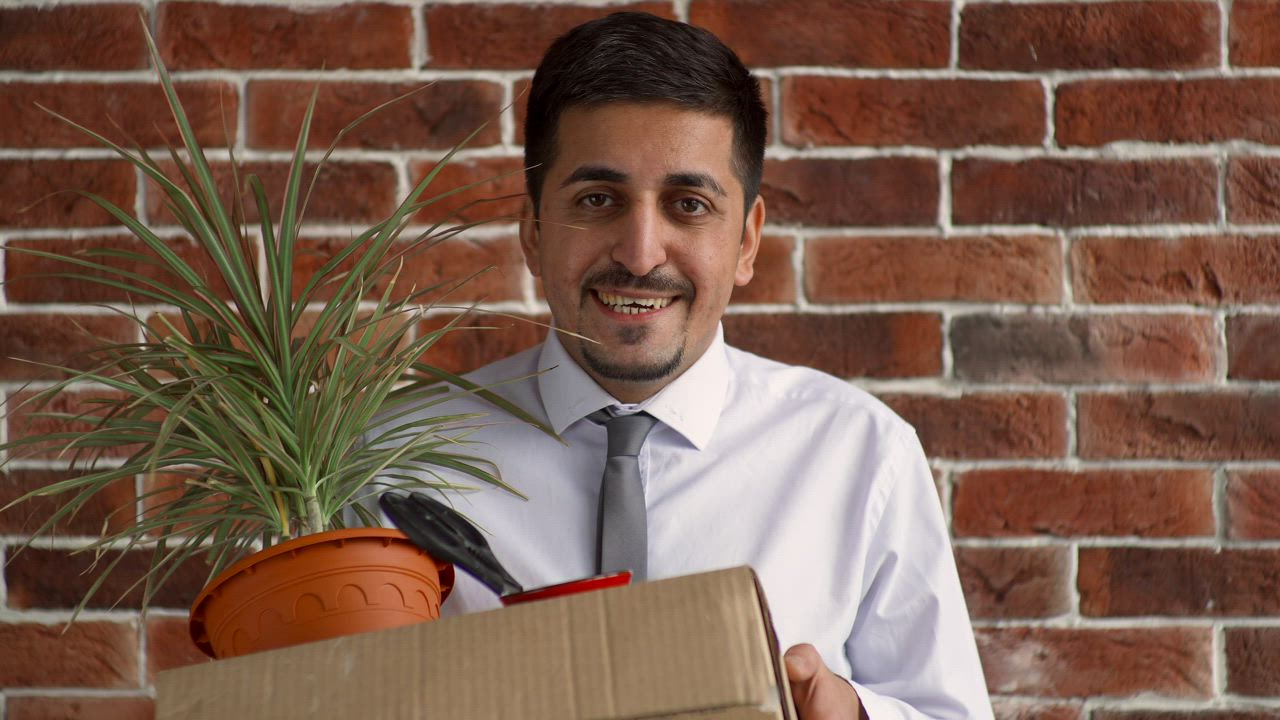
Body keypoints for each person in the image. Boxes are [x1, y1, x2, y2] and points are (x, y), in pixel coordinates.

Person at [382, 12, 993, 719]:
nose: (641, 254)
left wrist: (852, 713)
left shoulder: (861, 453)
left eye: (689, 205)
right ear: (532, 232)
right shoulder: (393, 460)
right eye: (598, 200)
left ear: (747, 242)